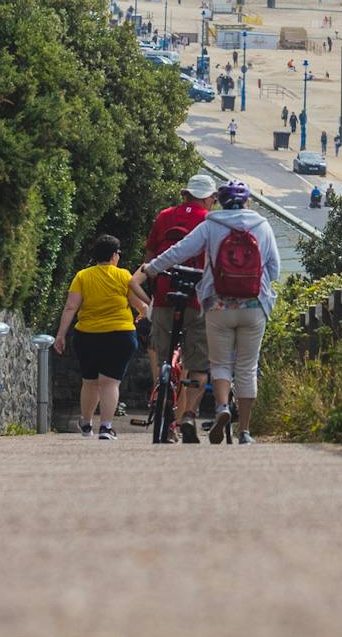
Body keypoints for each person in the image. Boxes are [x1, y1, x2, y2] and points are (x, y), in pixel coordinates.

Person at [139, 179, 280, 446]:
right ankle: (245, 432)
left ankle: (222, 407)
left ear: (221, 201)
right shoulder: (262, 225)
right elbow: (275, 269)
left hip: (218, 306)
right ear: (247, 201)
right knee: (247, 367)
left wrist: (153, 268)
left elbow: (180, 251)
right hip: (254, 306)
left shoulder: (212, 224)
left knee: (220, 365)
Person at [143, 170, 217, 440]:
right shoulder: (209, 220)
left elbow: (150, 254)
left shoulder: (165, 216)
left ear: (186, 193)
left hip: (164, 293)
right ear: (209, 198)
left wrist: (153, 281)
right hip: (197, 297)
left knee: (161, 353)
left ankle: (162, 391)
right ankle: (188, 416)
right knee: (197, 361)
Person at [53, 235, 149, 439]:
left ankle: (86, 424)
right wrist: (143, 312)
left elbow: (71, 307)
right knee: (110, 383)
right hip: (120, 335)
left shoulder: (82, 276)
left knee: (89, 381)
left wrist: (60, 335)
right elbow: (139, 304)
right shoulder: (124, 276)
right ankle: (106, 427)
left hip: (87, 335)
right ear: (114, 255)